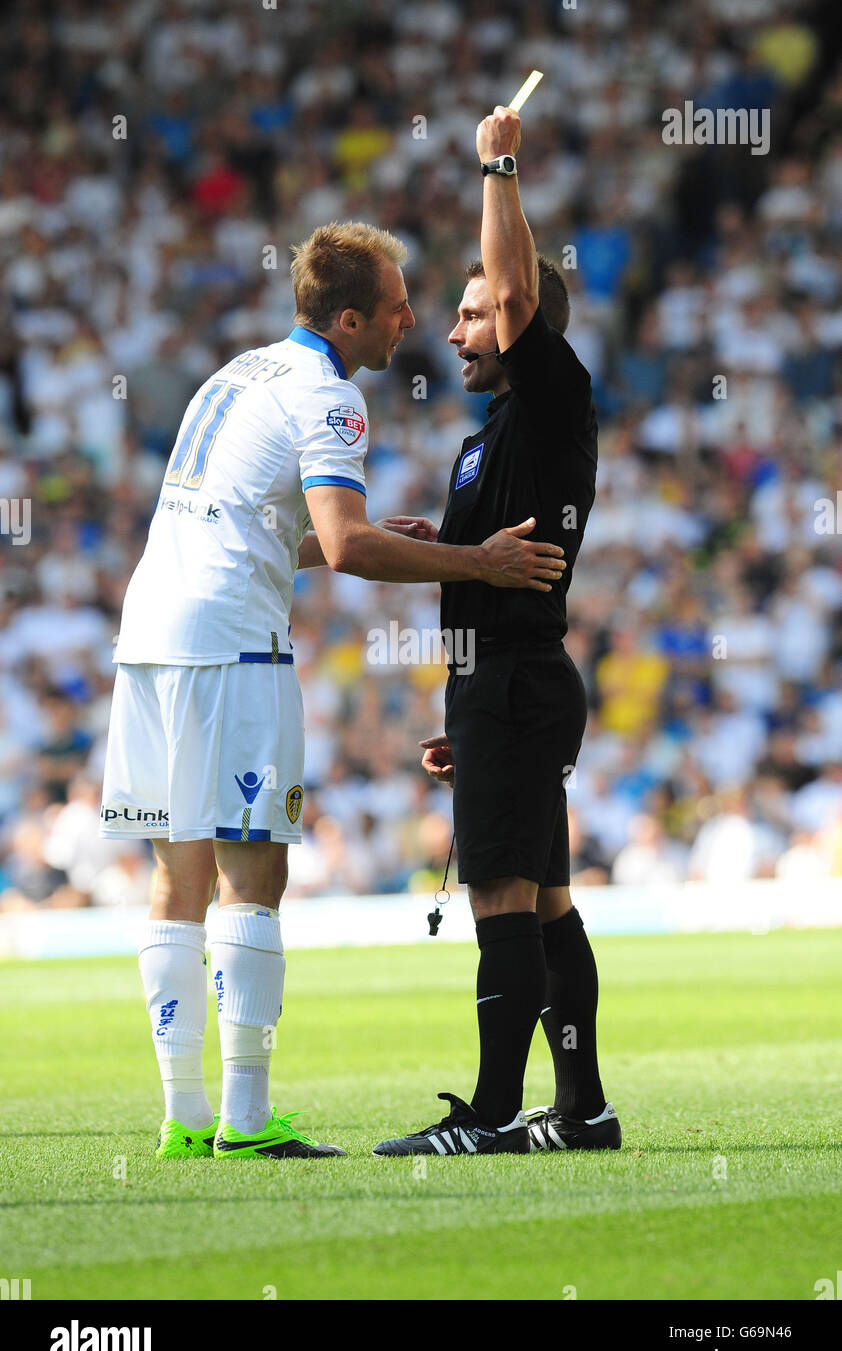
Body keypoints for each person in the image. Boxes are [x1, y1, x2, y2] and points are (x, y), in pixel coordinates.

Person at [100, 220, 566, 1162]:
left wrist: (343, 541)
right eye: (396, 305)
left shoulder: (237, 373)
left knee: (175, 874)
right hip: (233, 642)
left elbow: (277, 535)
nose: (411, 320)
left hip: (149, 634)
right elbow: (352, 548)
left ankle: (186, 1118)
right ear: (349, 318)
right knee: (254, 872)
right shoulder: (331, 400)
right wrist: (475, 557)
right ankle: (246, 1118)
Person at [373, 112, 620, 1157]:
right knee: (549, 906)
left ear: (521, 326)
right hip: (501, 687)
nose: (459, 330)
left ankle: (484, 1116)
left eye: (474, 316)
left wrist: (496, 163)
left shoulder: (552, 395)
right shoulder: (486, 445)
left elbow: (518, 290)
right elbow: (478, 580)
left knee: (501, 902)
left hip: (517, 683)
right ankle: (582, 1111)